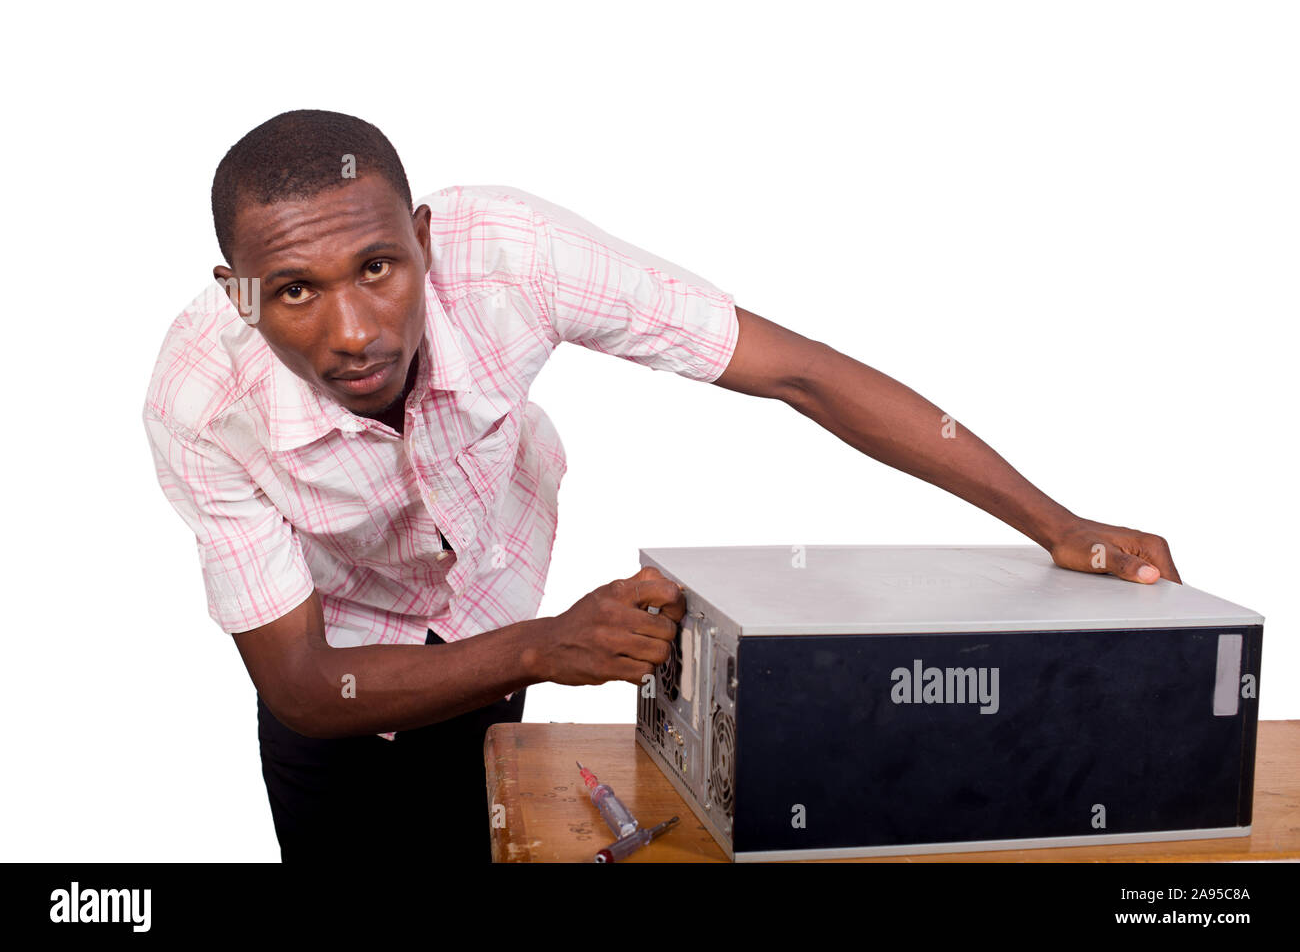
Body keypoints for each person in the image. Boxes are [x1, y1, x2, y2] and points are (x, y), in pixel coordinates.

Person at [141, 109, 1181, 863]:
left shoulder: (510, 255)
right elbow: (302, 685)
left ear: (422, 240)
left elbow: (800, 372)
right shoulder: (198, 400)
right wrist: (551, 642)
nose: (354, 331)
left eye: (377, 268)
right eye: (294, 292)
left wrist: (1058, 524)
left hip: (488, 619)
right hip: (341, 697)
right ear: (239, 294)